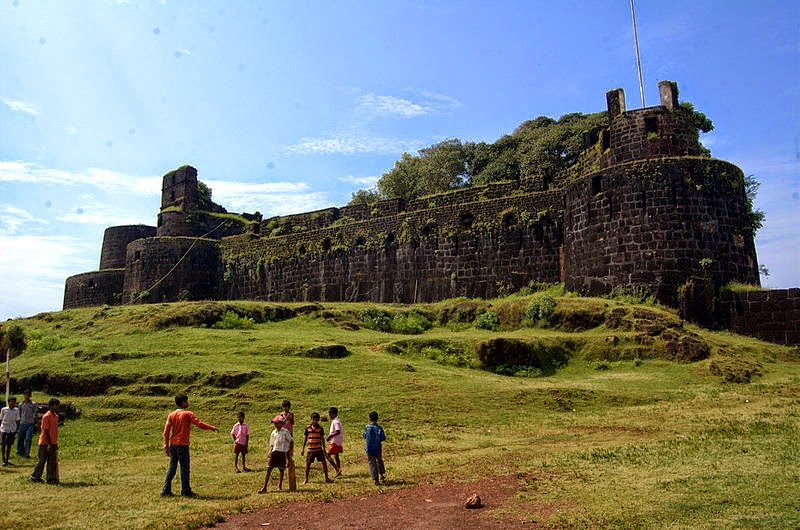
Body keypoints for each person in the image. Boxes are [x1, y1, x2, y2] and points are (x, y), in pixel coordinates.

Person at [161, 394, 218, 497]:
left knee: (172, 467)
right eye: (186, 401)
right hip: (183, 444)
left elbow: (166, 431)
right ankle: (186, 490)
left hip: (173, 444)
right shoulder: (188, 414)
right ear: (183, 402)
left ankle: (166, 490)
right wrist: (211, 427)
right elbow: (199, 424)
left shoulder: (171, 415)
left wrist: (166, 444)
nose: (188, 403)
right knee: (185, 467)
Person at [258, 416, 293, 493]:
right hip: (274, 452)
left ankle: (280, 485)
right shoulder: (273, 432)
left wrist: (290, 452)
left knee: (281, 470)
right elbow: (272, 443)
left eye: (277, 423)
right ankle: (264, 487)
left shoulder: (285, 432)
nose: (275, 425)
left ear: (281, 423)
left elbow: (291, 441)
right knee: (269, 469)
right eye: (274, 423)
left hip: (282, 452)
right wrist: (270, 451)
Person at [31, 398, 60, 484]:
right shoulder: (46, 416)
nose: (57, 407)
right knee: (42, 460)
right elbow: (46, 431)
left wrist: (54, 442)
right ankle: (35, 476)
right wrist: (49, 444)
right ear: (51, 406)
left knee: (52, 461)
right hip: (45, 442)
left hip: (53, 442)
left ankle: (51, 478)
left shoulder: (56, 416)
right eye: (56, 405)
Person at [300, 412, 333, 485]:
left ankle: (327, 478)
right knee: (308, 464)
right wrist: (302, 449)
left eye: (316, 420)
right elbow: (305, 438)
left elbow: (322, 439)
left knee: (324, 463)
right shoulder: (308, 428)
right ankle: (306, 479)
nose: (315, 421)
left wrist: (324, 449)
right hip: (310, 449)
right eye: (313, 419)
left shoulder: (320, 428)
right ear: (311, 419)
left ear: (318, 420)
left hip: (318, 449)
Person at [363, 410, 386, 486]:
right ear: (377, 419)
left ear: (369, 419)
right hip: (377, 448)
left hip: (369, 448)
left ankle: (376, 480)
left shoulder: (367, 427)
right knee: (379, 461)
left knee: (372, 463)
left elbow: (364, 435)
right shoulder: (379, 428)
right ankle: (382, 474)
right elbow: (382, 438)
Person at [16, 389, 37, 458]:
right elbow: (19, 414)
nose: (27, 396)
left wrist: (37, 423)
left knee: (28, 439)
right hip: (22, 423)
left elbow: (35, 414)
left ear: (30, 396)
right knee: (20, 438)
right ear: (23, 395)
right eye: (25, 395)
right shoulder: (21, 404)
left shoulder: (33, 404)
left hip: (30, 423)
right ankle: (19, 451)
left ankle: (26, 453)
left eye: (28, 395)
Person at [0, 396, 19, 466]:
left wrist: (16, 430)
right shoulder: (4, 410)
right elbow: (1, 419)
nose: (14, 403)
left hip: (12, 429)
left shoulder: (16, 410)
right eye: (12, 401)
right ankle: (3, 459)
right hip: (4, 428)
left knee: (9, 445)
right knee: (3, 444)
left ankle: (7, 459)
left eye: (15, 402)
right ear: (9, 402)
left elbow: (17, 420)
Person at [325, 406, 343, 477]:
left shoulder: (335, 421)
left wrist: (330, 436)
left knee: (327, 455)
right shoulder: (336, 421)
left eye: (331, 414)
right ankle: (339, 472)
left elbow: (338, 431)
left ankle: (337, 469)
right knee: (336, 455)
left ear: (334, 414)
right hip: (338, 441)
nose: (330, 416)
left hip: (334, 441)